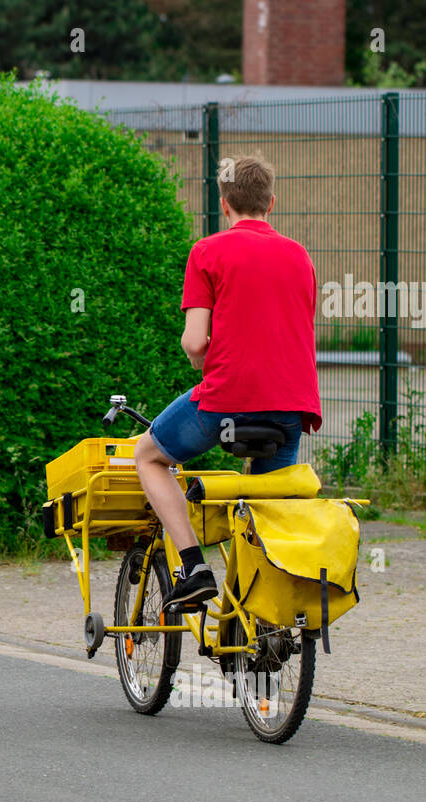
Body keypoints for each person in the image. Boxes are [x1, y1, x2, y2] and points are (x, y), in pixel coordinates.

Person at [133, 154, 322, 606]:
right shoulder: (300, 256)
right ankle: (264, 616)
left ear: (224, 204)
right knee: (266, 508)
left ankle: (195, 567)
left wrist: (208, 358)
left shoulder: (208, 252)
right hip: (290, 409)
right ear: (271, 203)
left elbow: (195, 343)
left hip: (226, 403)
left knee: (148, 457)